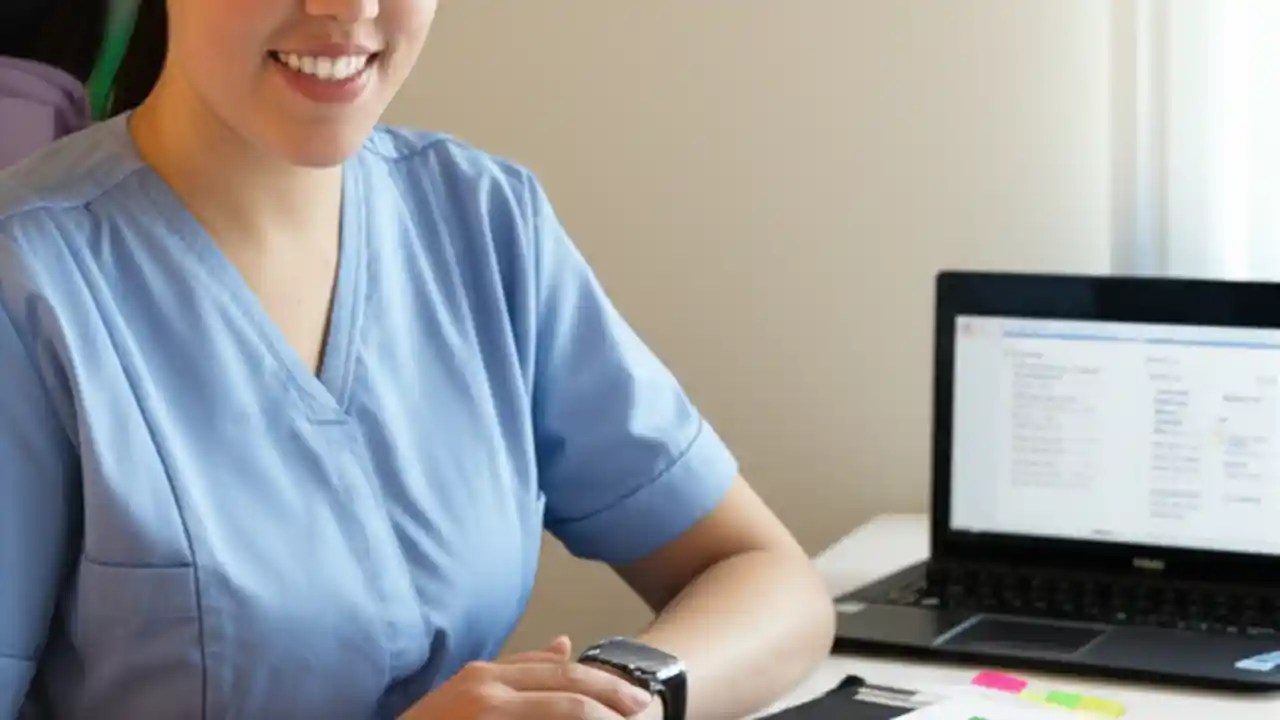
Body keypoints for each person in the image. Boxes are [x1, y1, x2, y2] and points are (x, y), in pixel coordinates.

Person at [0, 0, 836, 718]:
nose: (348, 7)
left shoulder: (482, 222)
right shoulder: (29, 286)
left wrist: (618, 696)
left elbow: (766, 577)